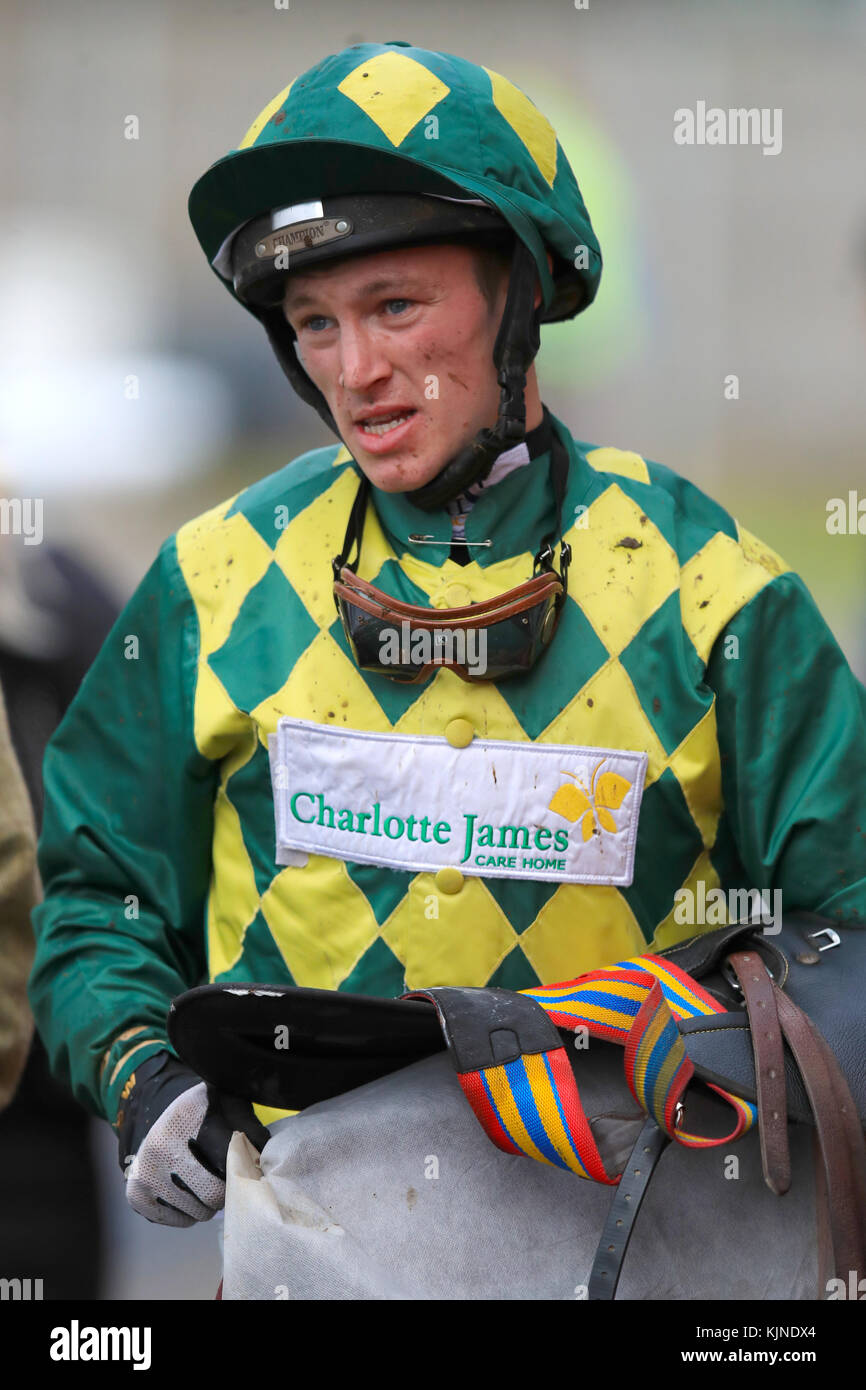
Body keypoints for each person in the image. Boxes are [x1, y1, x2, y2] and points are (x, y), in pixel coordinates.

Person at [29, 40, 866, 1233]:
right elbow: (97, 895)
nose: (357, 372)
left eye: (396, 307)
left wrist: (739, 1037)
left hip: (638, 1251)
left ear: (518, 293)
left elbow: (850, 922)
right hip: (312, 1262)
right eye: (314, 323)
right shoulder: (212, 578)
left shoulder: (712, 590)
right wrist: (139, 1074)